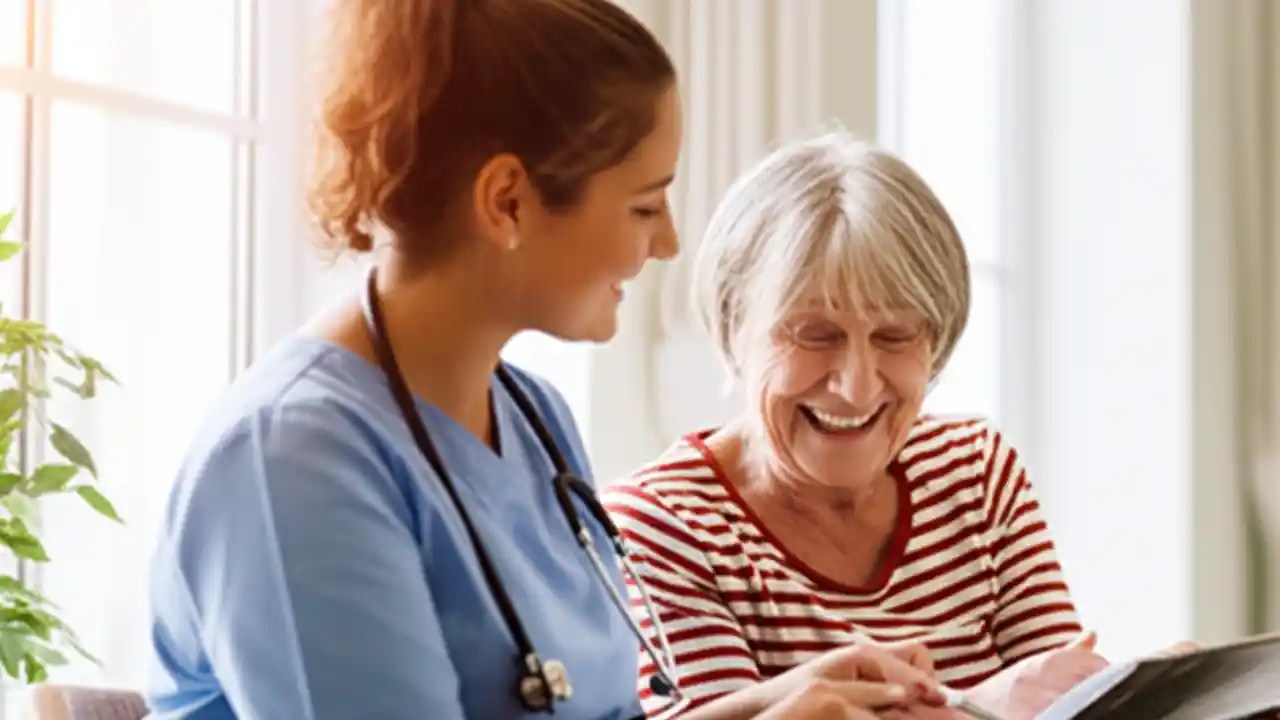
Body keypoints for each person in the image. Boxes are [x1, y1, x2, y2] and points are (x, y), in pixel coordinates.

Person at [143, 2, 954, 719]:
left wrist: (780, 700)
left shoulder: (533, 421)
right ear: (508, 203)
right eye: (644, 204)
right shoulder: (294, 464)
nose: (668, 242)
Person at [602, 131, 1108, 719]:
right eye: (814, 335)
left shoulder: (974, 472)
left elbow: (1073, 707)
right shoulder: (660, 527)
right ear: (735, 325)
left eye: (894, 336)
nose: (857, 386)